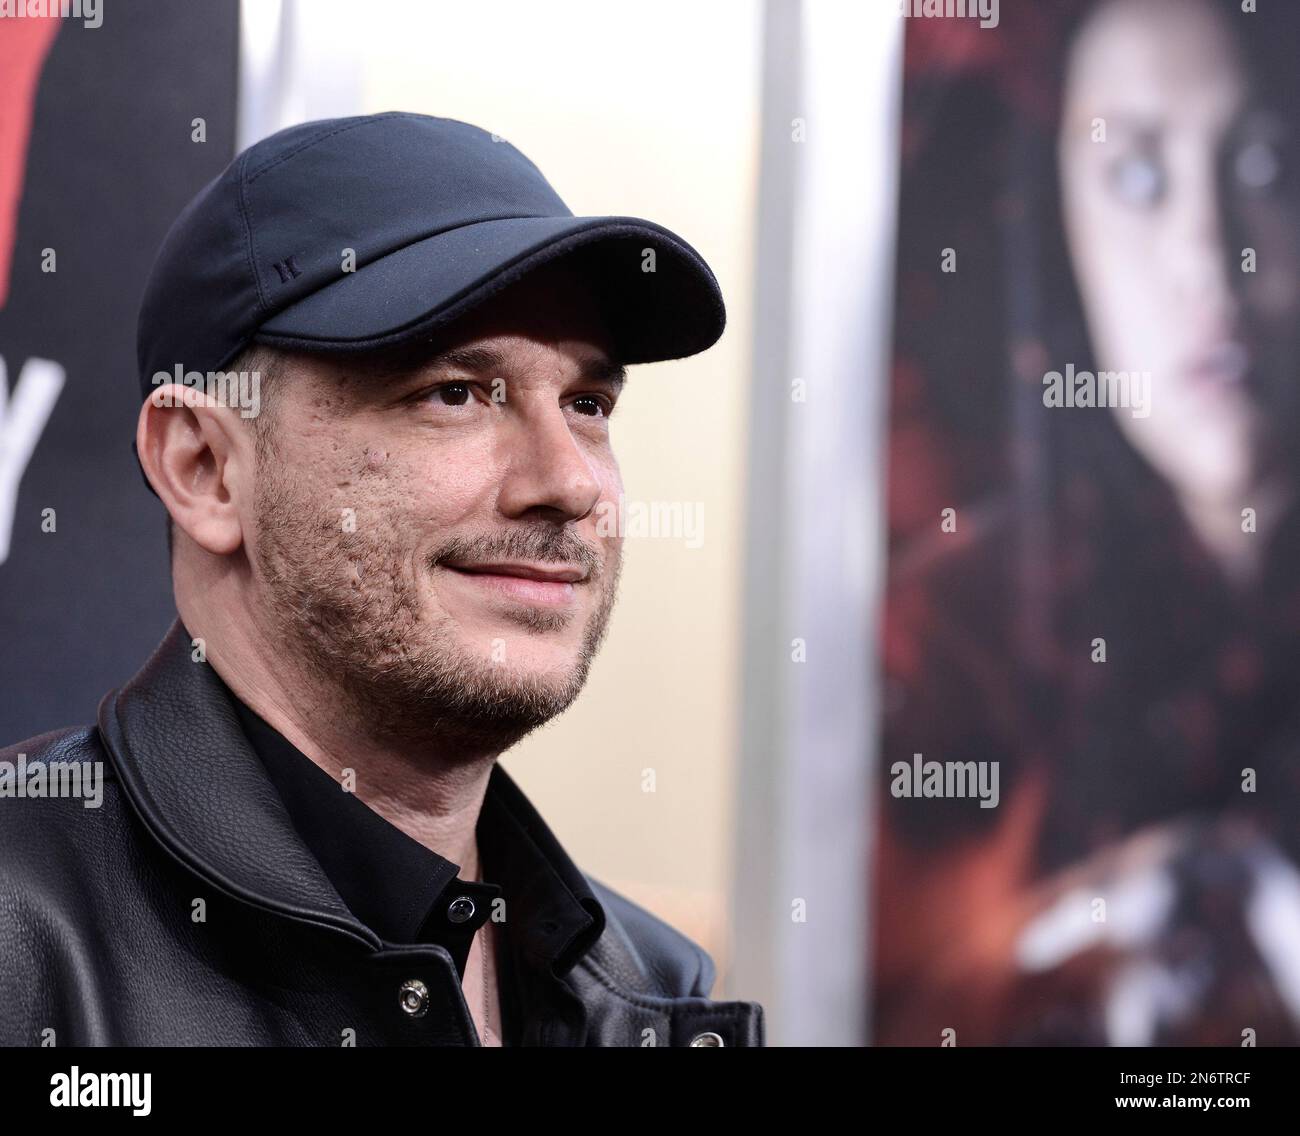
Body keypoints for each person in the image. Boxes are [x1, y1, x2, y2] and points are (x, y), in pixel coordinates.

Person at [0, 111, 763, 1047]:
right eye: (453, 393)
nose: (566, 482)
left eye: (587, 403)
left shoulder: (646, 988)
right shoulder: (20, 942)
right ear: (204, 467)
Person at [876, 0, 1300, 1045]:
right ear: (1058, 226)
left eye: (1265, 170)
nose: (1209, 256)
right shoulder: (952, 634)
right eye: (1138, 176)